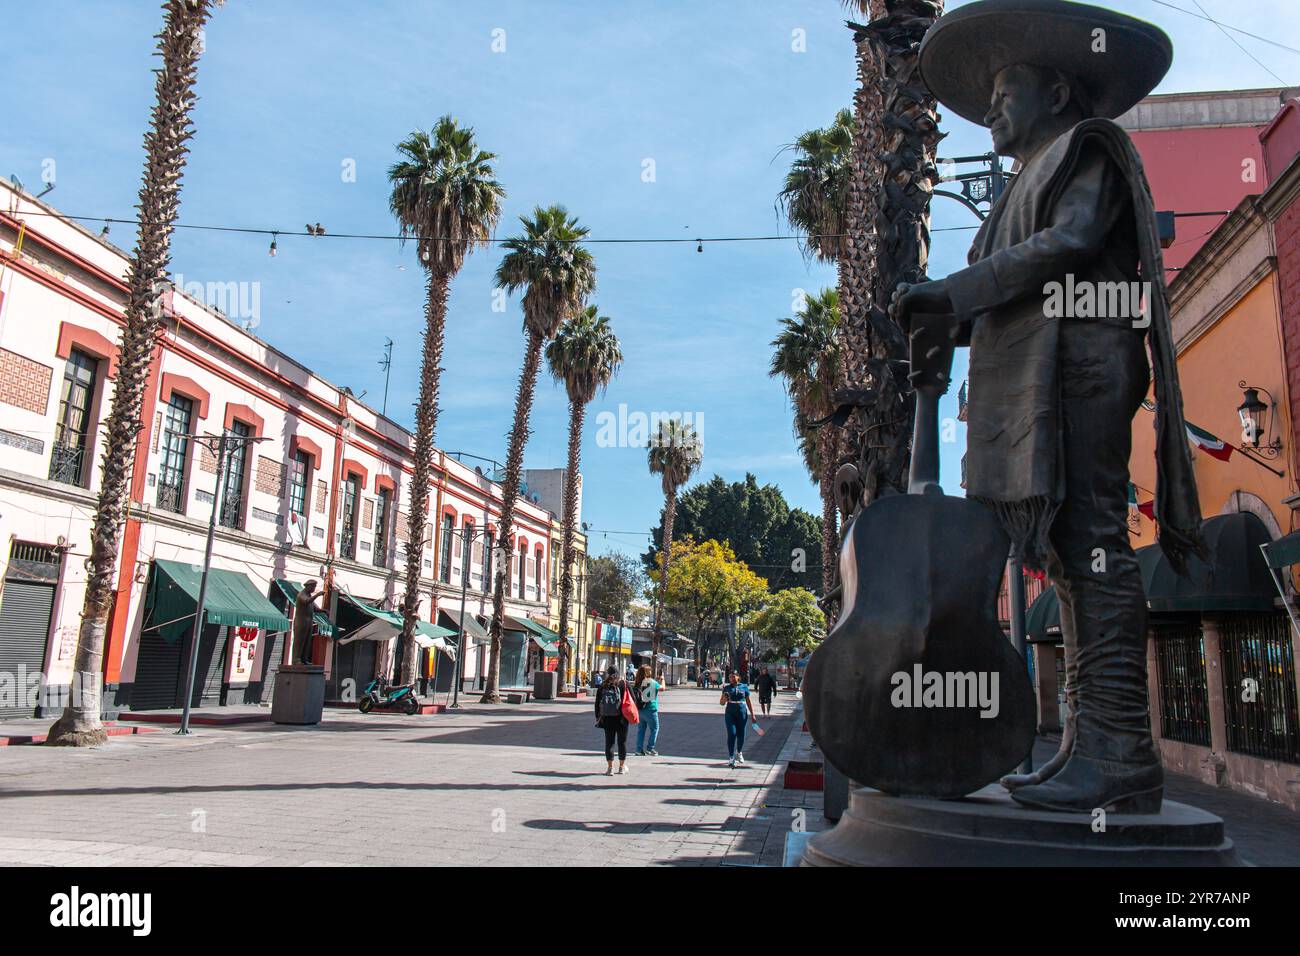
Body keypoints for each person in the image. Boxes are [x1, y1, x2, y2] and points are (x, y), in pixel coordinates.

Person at [890, 1, 1205, 813]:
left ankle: (1123, 753)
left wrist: (950, 292)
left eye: (1007, 89)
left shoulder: (1087, 150)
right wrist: (937, 320)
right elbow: (1009, 301)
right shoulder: (1017, 186)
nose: (991, 107)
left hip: (1084, 368)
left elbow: (1063, 250)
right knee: (1067, 553)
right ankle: (1086, 746)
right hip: (1049, 366)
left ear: (1059, 93)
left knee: (1095, 541)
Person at [594, 665, 630, 775]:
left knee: (609, 743)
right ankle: (622, 767)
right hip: (622, 719)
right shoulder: (624, 684)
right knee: (622, 742)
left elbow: (597, 704)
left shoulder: (602, 686)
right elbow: (632, 700)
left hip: (607, 719)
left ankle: (610, 768)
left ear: (607, 674)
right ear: (618, 673)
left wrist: (598, 717)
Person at [719, 671, 753, 768]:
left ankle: (739, 752)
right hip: (730, 713)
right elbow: (721, 703)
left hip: (742, 712)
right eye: (730, 677)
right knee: (732, 733)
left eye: (734, 676)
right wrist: (724, 699)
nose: (732, 679)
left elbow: (748, 701)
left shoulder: (744, 687)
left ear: (738, 677)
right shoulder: (727, 688)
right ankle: (731, 757)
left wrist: (753, 715)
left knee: (741, 734)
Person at [633, 664, 662, 756]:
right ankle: (650, 748)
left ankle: (639, 749)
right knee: (655, 729)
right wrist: (663, 679)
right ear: (648, 672)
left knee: (641, 730)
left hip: (640, 709)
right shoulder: (652, 682)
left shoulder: (638, 682)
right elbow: (663, 688)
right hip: (650, 709)